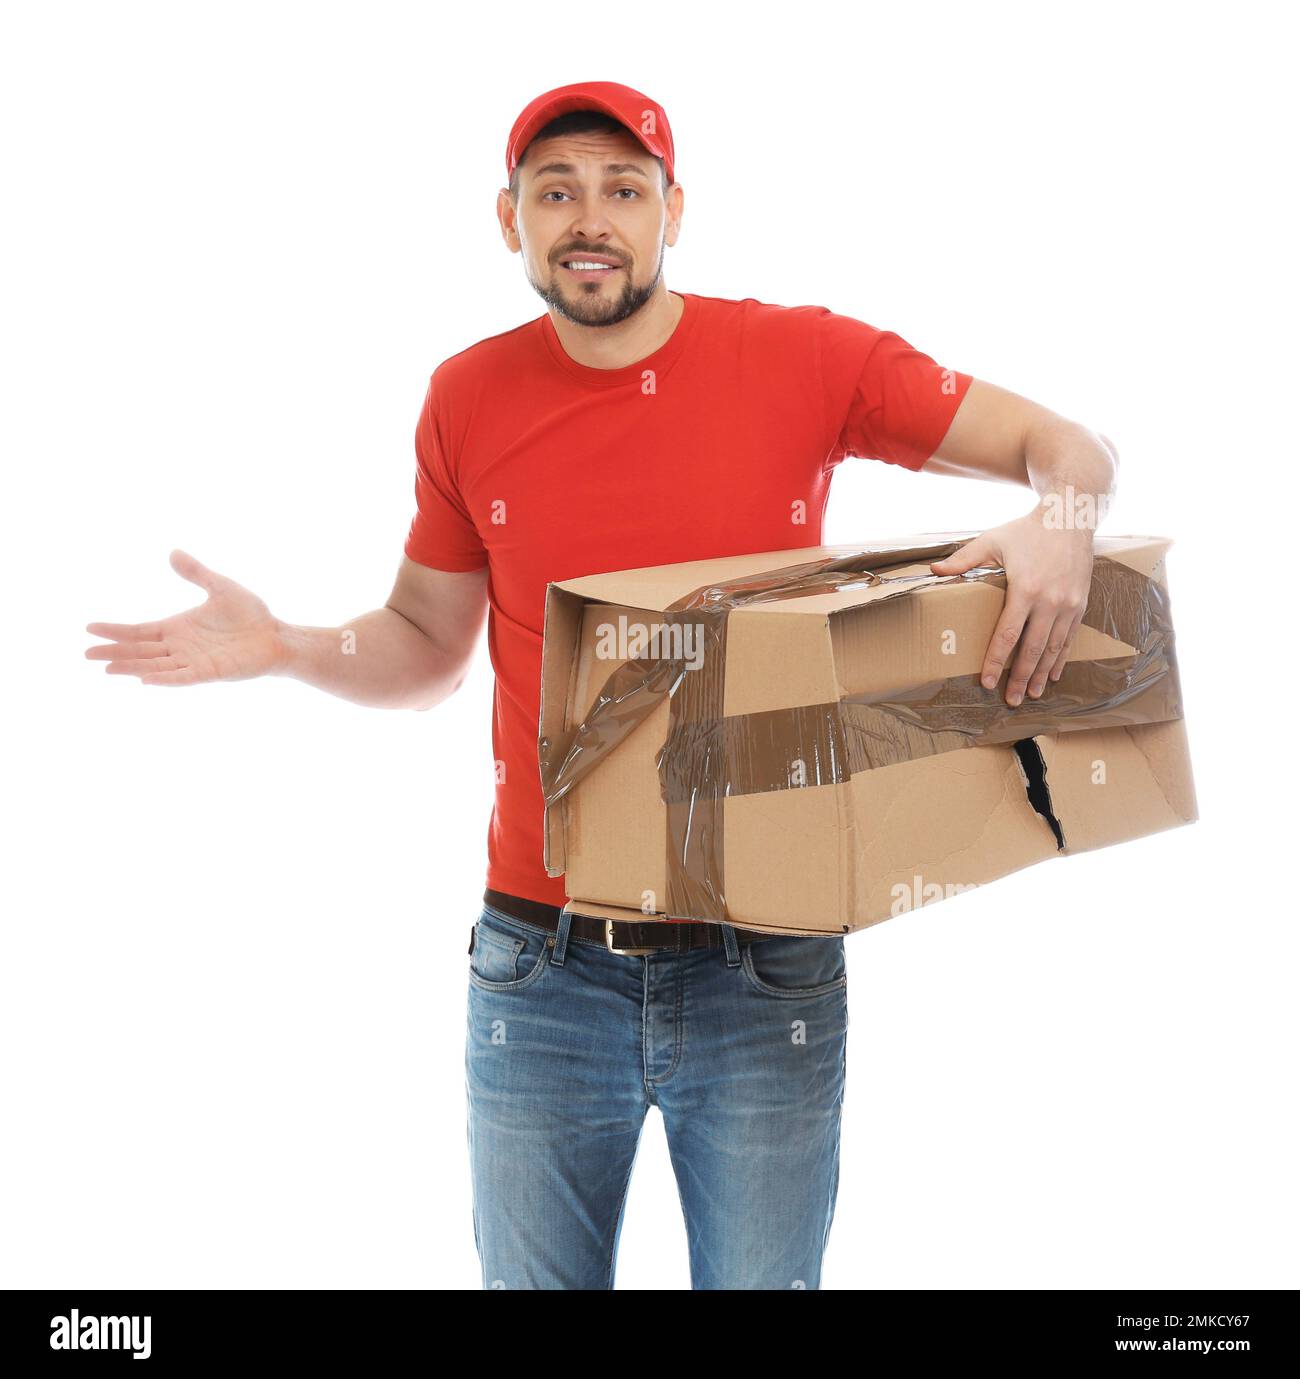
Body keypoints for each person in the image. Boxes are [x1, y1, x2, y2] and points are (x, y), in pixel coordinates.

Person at [86, 80, 1116, 1290]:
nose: (590, 216)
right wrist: (289, 647)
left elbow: (1069, 447)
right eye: (556, 189)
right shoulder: (466, 395)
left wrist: (1065, 519)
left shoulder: (804, 357)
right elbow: (425, 642)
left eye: (624, 189)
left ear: (672, 210)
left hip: (763, 952)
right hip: (540, 961)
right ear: (508, 218)